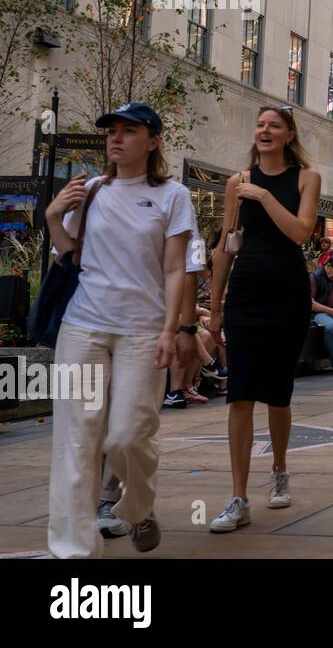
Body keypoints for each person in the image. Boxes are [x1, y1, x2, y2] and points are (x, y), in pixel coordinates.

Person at [45, 103, 203, 557]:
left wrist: (172, 329)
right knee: (76, 439)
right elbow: (70, 253)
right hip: (84, 326)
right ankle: (72, 550)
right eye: (111, 131)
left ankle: (136, 507)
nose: (116, 138)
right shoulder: (91, 190)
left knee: (128, 435)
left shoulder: (173, 195)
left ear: (152, 141)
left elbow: (176, 268)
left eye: (129, 131)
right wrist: (55, 216)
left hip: (142, 330)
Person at [207, 106, 320, 533]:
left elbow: (301, 232)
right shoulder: (238, 182)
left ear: (289, 134)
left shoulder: (306, 177)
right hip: (246, 293)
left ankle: (279, 468)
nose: (264, 131)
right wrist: (214, 306)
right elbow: (224, 247)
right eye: (260, 125)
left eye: (274, 125)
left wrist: (267, 198)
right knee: (240, 392)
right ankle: (238, 497)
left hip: (288, 294)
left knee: (278, 393)